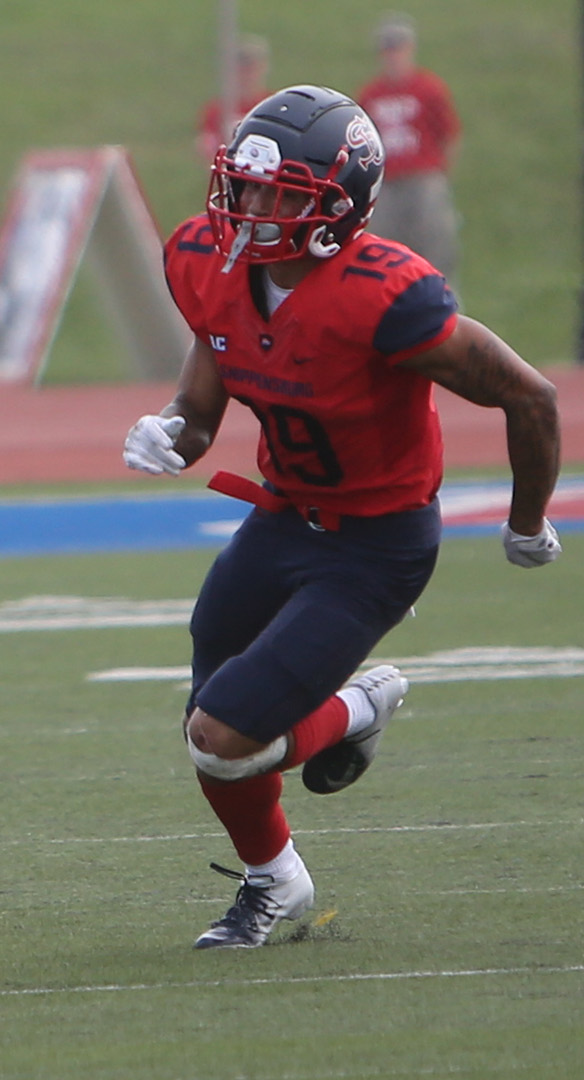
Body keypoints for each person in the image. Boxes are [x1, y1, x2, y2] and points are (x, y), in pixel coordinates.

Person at [123, 85, 561, 949]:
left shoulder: (385, 295)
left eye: (280, 193)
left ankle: (356, 708)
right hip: (284, 516)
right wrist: (177, 432)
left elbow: (529, 395)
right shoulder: (207, 259)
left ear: (337, 205)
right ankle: (276, 884)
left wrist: (526, 522)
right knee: (211, 722)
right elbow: (207, 389)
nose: (251, 209)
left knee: (224, 732)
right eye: (244, 188)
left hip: (375, 543)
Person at [357, 13, 461, 279]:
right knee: (384, 248)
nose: (394, 56)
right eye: (388, 49)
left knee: (434, 244)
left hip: (422, 177)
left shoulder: (428, 88)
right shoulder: (372, 94)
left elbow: (448, 133)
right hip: (387, 181)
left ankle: (443, 300)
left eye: (399, 48)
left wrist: (439, 172)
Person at [196, 35, 272, 161]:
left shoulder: (271, 106)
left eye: (252, 68)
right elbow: (206, 149)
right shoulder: (218, 109)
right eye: (242, 68)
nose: (247, 75)